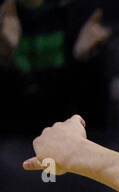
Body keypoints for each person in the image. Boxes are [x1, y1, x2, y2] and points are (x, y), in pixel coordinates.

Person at [0, 0, 112, 136]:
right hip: (12, 132)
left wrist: (82, 59)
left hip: (65, 131)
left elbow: (91, 106)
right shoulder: (5, 16)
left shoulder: (75, 13)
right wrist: (5, 57)